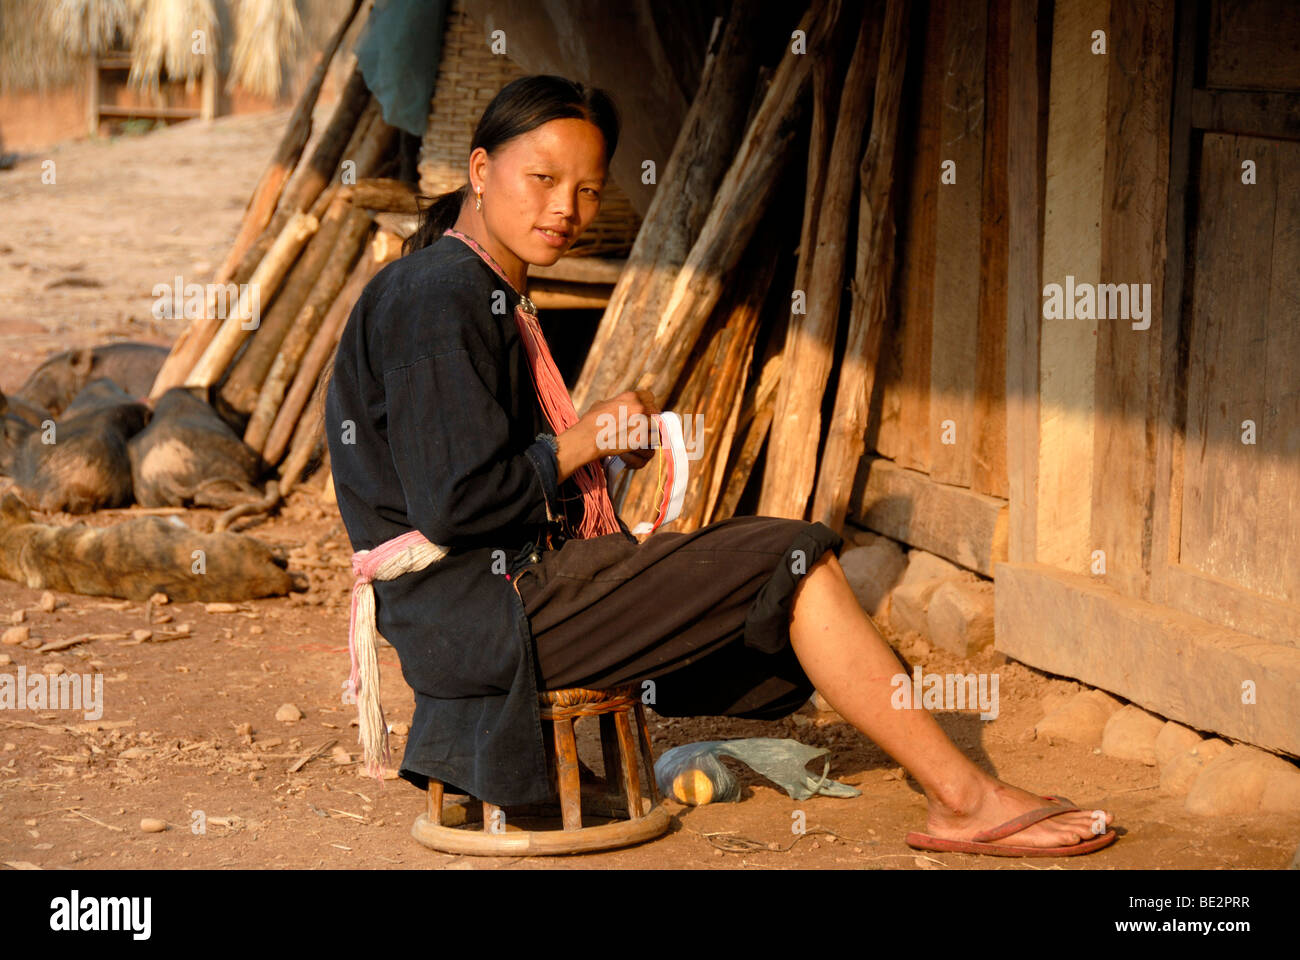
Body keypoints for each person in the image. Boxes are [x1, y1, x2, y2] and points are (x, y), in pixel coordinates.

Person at [325, 75, 1117, 857]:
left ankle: (960, 791)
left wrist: (589, 446)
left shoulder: (474, 288)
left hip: (491, 601)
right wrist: (585, 441)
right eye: (541, 179)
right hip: (485, 613)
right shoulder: (441, 295)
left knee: (770, 560)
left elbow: (488, 469)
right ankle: (966, 800)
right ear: (478, 169)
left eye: (589, 191)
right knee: (794, 556)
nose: (565, 209)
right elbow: (459, 503)